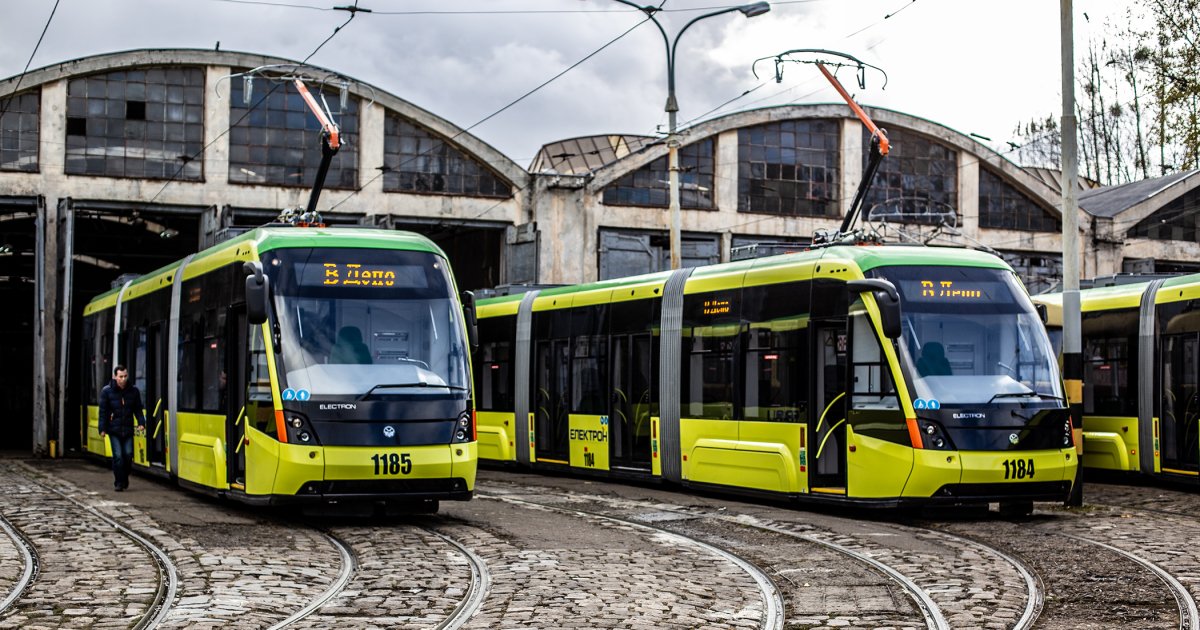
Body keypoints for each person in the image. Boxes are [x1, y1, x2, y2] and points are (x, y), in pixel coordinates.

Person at [98, 365, 146, 491]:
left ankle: (124, 477)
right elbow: (103, 412)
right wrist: (102, 428)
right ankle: (119, 482)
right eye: (120, 377)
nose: (123, 379)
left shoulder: (133, 391)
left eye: (125, 376)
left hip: (128, 429)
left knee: (128, 454)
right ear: (115, 377)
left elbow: (138, 409)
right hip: (114, 430)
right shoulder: (107, 391)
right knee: (118, 456)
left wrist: (141, 423)